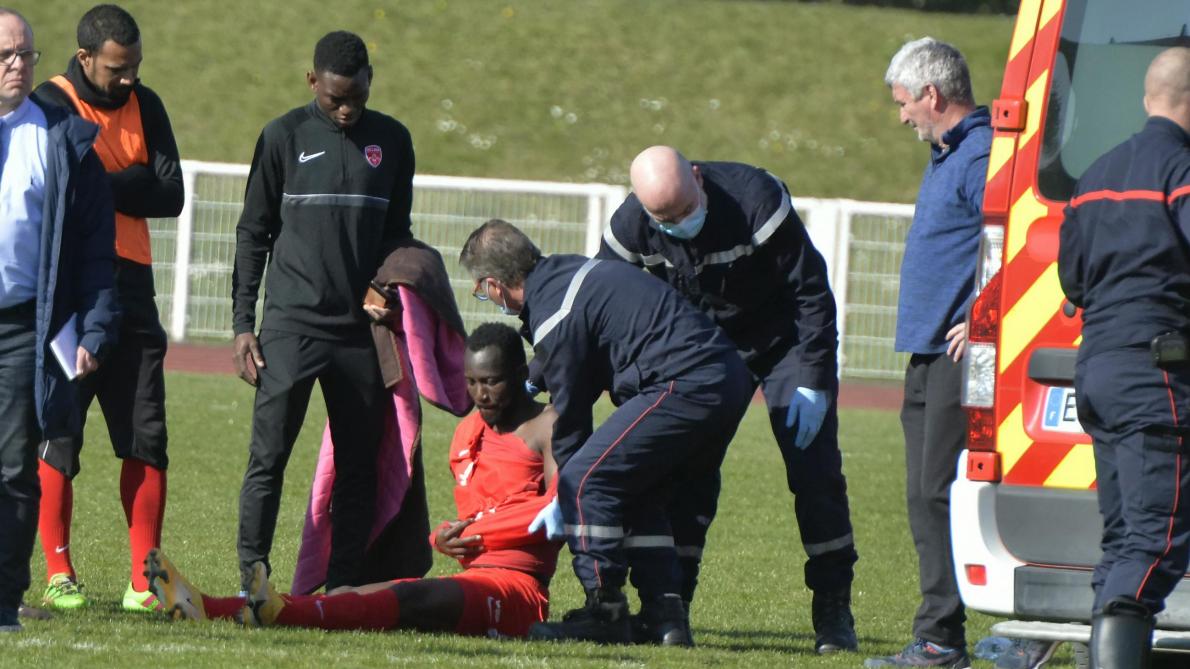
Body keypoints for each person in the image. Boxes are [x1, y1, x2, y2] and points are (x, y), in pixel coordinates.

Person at [597, 146, 858, 653]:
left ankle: (833, 609)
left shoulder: (756, 199)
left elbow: (810, 292)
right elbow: (604, 302)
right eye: (663, 218)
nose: (676, 225)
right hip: (704, 351)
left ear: (697, 178)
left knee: (815, 472)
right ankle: (673, 607)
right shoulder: (630, 225)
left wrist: (813, 377)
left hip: (783, 342)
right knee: (685, 475)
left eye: (683, 211)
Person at [146, 323, 560, 638]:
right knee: (350, 593)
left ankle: (281, 613)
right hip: (472, 578)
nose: (480, 394)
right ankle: (208, 606)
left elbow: (558, 511)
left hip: (519, 590)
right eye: (472, 382)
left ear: (520, 373)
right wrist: (443, 538)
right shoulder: (468, 432)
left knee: (411, 597)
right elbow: (475, 517)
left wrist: (475, 532)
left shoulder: (549, 426)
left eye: (491, 382)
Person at [459, 219, 752, 646]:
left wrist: (565, 493)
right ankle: (665, 617)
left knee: (585, 479)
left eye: (481, 291)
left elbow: (571, 418)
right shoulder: (568, 274)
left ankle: (604, 611)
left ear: (495, 285)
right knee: (640, 489)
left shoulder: (553, 312)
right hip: (725, 378)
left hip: (685, 383)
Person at [231, 30, 415, 594]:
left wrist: (390, 285)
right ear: (313, 81)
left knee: (358, 466)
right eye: (336, 98)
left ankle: (342, 589)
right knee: (268, 458)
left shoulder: (393, 140)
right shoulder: (282, 136)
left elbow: (398, 233)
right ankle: (253, 579)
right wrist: (242, 326)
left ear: (369, 82)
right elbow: (252, 232)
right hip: (291, 328)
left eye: (356, 97)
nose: (346, 109)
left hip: (360, 335)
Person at [33, 3, 182, 612]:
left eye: (135, 66)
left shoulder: (149, 104)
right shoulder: (51, 102)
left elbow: (170, 194)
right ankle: (58, 573)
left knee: (147, 435)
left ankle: (143, 581)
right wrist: (132, 180)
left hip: (135, 288)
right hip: (70, 290)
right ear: (85, 57)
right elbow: (57, 189)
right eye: (118, 68)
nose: (129, 78)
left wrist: (99, 179)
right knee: (58, 429)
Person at [1057, 47, 1190, 669]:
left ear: (1147, 97)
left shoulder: (1095, 174)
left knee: (1122, 541)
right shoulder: (1181, 170)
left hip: (1098, 371)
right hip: (1153, 375)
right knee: (1157, 539)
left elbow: (1073, 281)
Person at [865, 37, 991, 669]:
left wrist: (984, 314)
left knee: (937, 492)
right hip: (927, 350)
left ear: (932, 95)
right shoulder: (950, 152)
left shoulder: (981, 154)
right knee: (924, 494)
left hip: (955, 354)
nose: (902, 116)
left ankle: (942, 637)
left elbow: (1018, 237)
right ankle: (941, 632)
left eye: (904, 103)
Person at [0, 7, 119, 632]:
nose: (19, 66)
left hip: (23, 327)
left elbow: (97, 248)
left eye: (26, 54)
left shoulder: (60, 138)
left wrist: (94, 327)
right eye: (5, 56)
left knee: (15, 466)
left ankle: (3, 602)